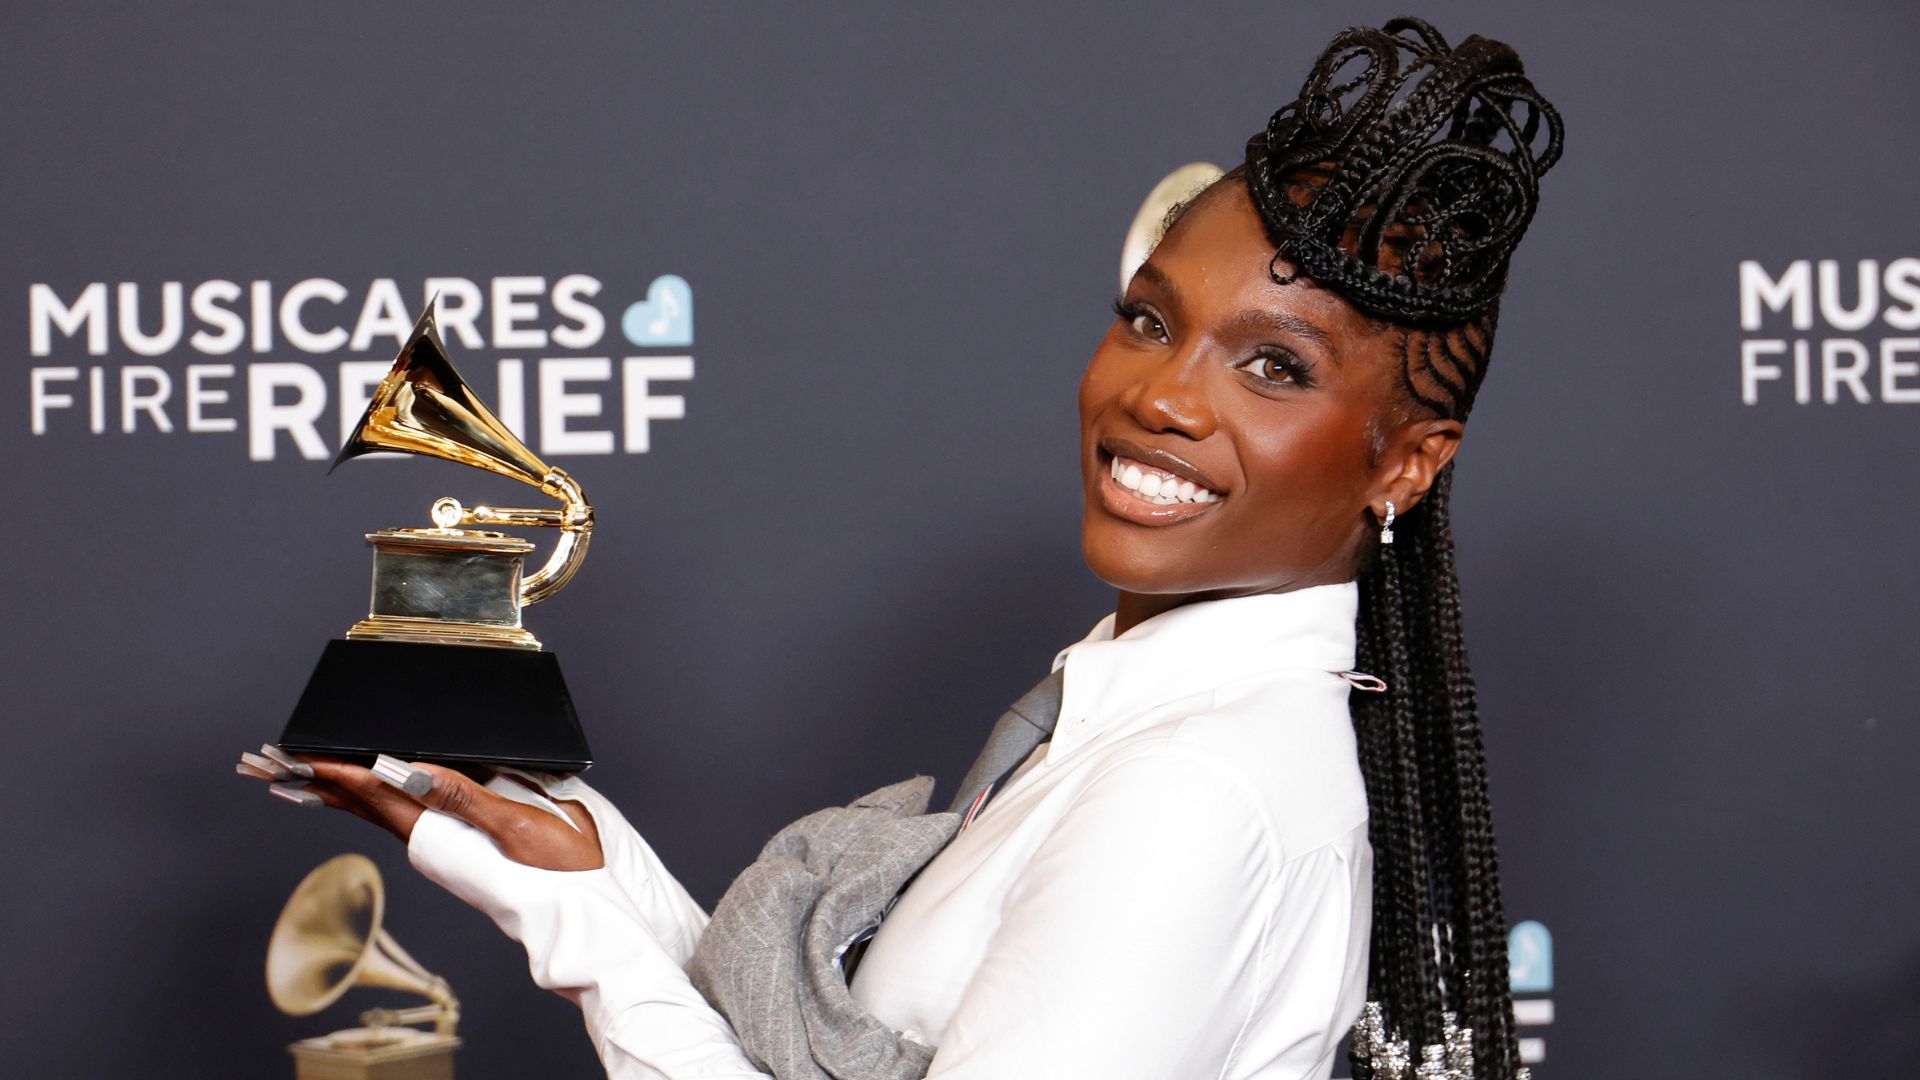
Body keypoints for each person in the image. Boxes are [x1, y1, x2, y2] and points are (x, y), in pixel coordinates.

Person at [241, 17, 1562, 1080]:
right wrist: (582, 874)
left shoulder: (1196, 792)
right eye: (1151, 322)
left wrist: (585, 936)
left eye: (1273, 366)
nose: (1163, 397)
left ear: (1402, 462)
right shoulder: (1118, 715)